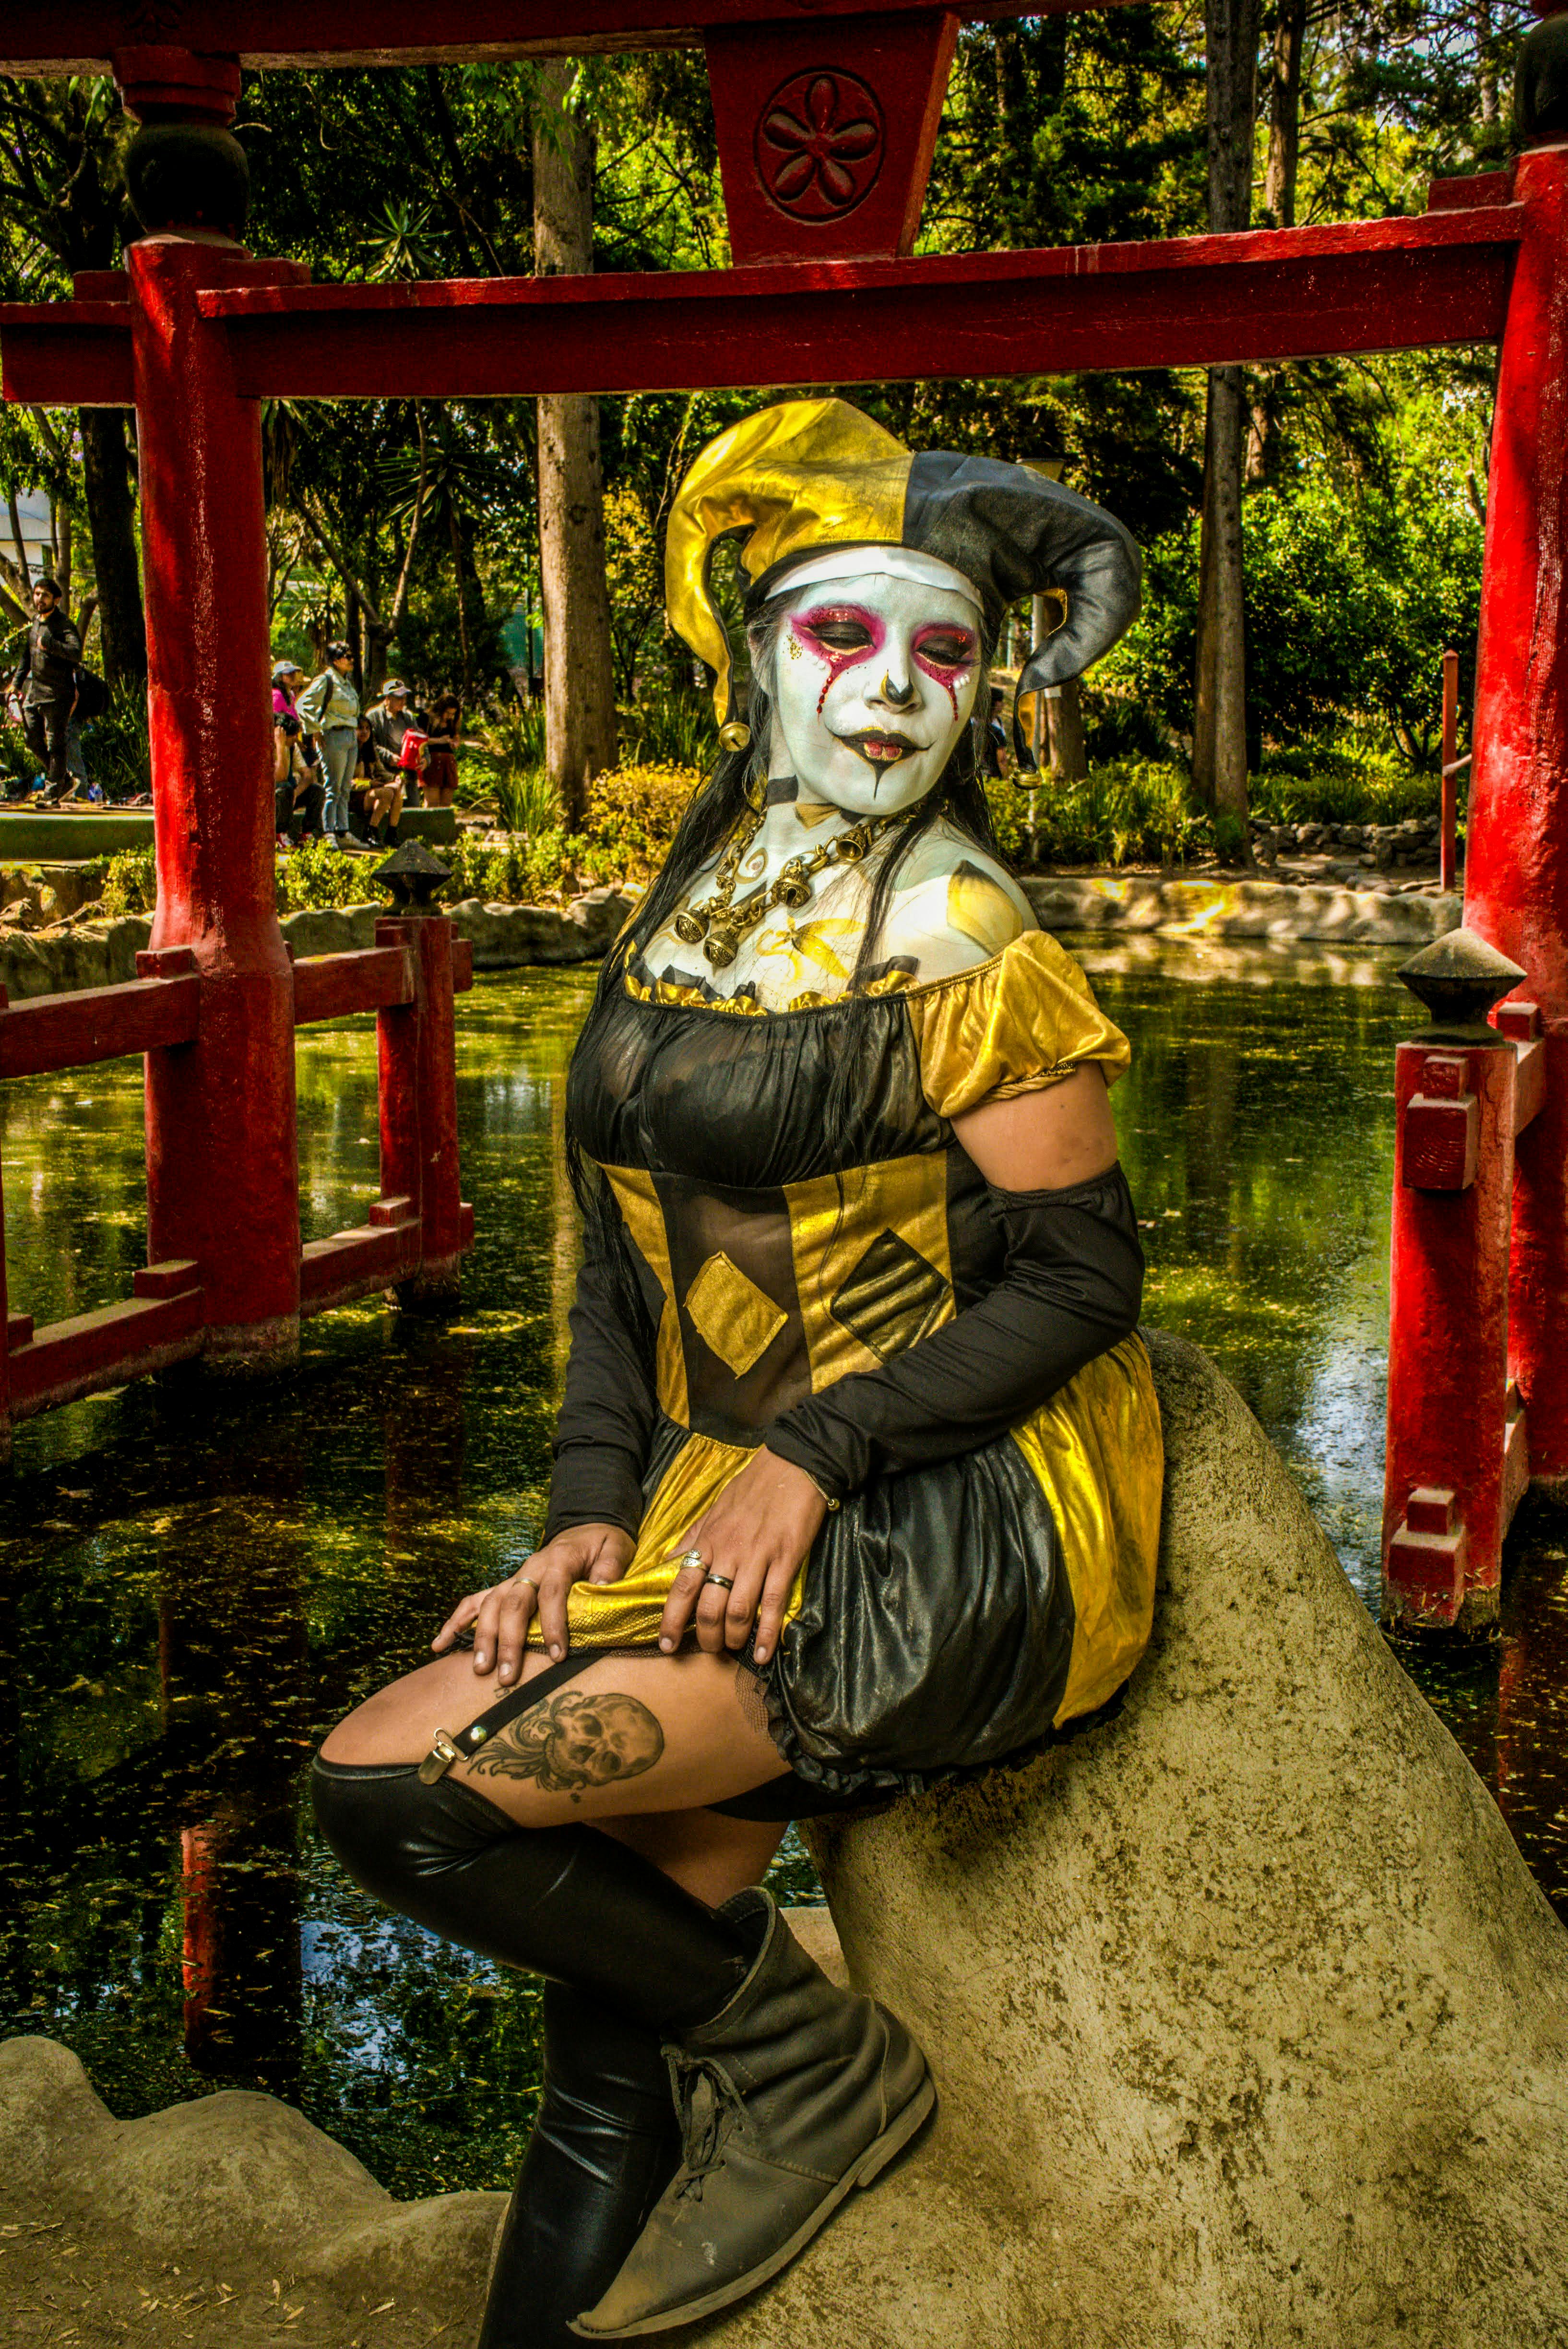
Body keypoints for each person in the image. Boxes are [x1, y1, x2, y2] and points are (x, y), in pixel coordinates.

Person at [312, 398, 1161, 2349]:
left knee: (392, 1792)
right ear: (757, 658)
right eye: (844, 635)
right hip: (715, 1488)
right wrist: (584, 1512)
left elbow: (1083, 1272)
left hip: (941, 1505)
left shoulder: (961, 927)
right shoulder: (681, 911)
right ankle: (747, 2095)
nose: (895, 687)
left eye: (944, 649)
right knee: (607, 2029)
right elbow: (624, 1274)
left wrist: (814, 1452)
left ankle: (811, 2065)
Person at [9, 577, 81, 802]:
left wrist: (50, 643)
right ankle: (62, 780)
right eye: (37, 594)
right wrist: (16, 684)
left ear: (56, 600)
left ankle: (54, 789)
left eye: (45, 596)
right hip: (35, 692)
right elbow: (27, 655)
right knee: (31, 739)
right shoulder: (36, 621)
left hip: (57, 693)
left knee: (55, 744)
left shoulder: (63, 625)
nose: (39, 599)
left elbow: (76, 653)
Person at [296, 640, 361, 850]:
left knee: (345, 788)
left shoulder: (347, 682)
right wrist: (315, 729)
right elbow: (303, 704)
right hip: (333, 736)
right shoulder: (326, 680)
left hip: (350, 736)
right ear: (335, 660)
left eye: (352, 656)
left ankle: (343, 830)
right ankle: (328, 832)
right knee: (333, 786)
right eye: (347, 657)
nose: (352, 660)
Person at [349, 713, 405, 848]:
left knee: (397, 789)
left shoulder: (371, 750)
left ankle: (391, 833)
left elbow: (381, 772)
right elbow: (348, 784)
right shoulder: (349, 752)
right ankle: (370, 832)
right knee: (387, 793)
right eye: (360, 728)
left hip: (370, 792)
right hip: (354, 796)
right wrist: (370, 784)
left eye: (368, 728)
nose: (365, 732)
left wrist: (395, 779)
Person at [366, 677, 420, 804]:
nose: (403, 701)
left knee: (413, 808)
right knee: (388, 807)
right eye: (399, 698)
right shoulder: (373, 717)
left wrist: (424, 758)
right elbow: (370, 745)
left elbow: (419, 740)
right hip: (384, 773)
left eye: (405, 697)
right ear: (388, 698)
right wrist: (389, 757)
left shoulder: (408, 717)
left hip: (408, 773)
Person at [420, 691, 460, 807]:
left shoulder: (452, 722)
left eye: (453, 714)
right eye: (448, 713)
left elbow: (456, 736)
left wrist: (455, 743)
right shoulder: (426, 718)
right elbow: (419, 739)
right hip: (432, 762)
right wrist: (439, 741)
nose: (450, 717)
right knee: (432, 805)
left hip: (448, 763)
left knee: (446, 806)